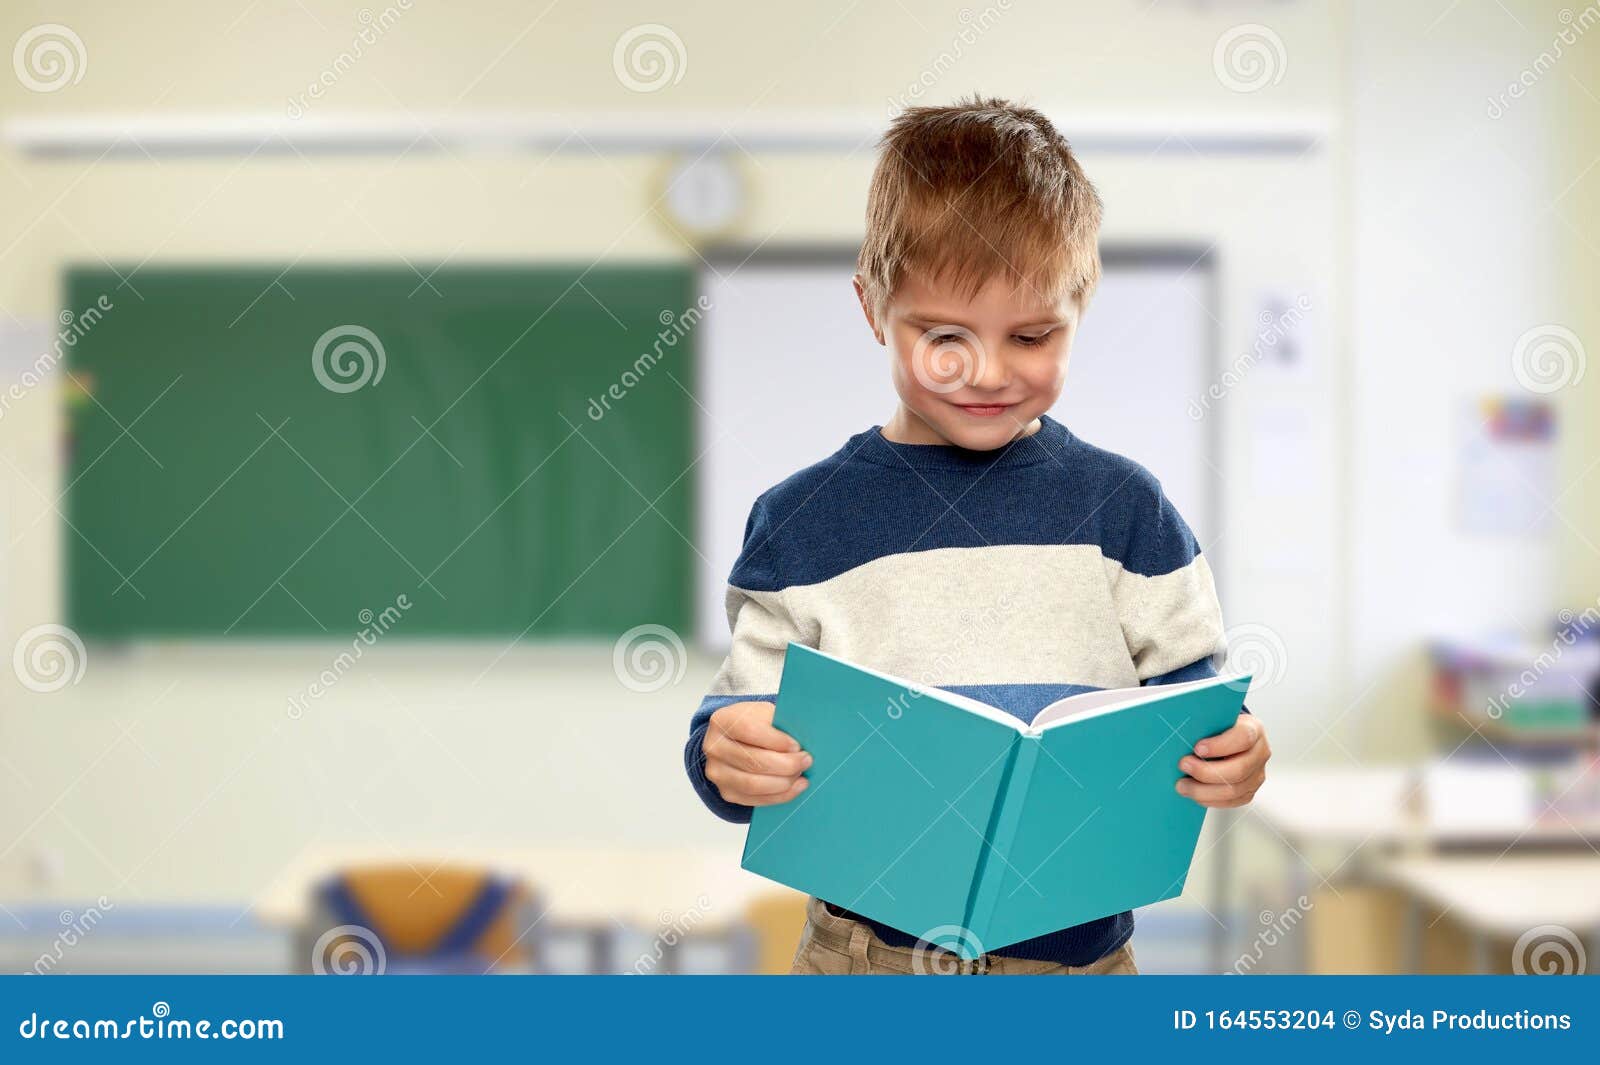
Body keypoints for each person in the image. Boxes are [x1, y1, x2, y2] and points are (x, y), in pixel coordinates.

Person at [683, 96, 1270, 975]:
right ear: (873, 308)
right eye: (943, 335)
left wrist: (1233, 750)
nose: (987, 372)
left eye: (1031, 335)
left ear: (1080, 308)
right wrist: (726, 750)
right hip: (866, 961)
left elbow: (1195, 702)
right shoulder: (801, 521)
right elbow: (741, 717)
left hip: (1077, 971)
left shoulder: (1125, 510)